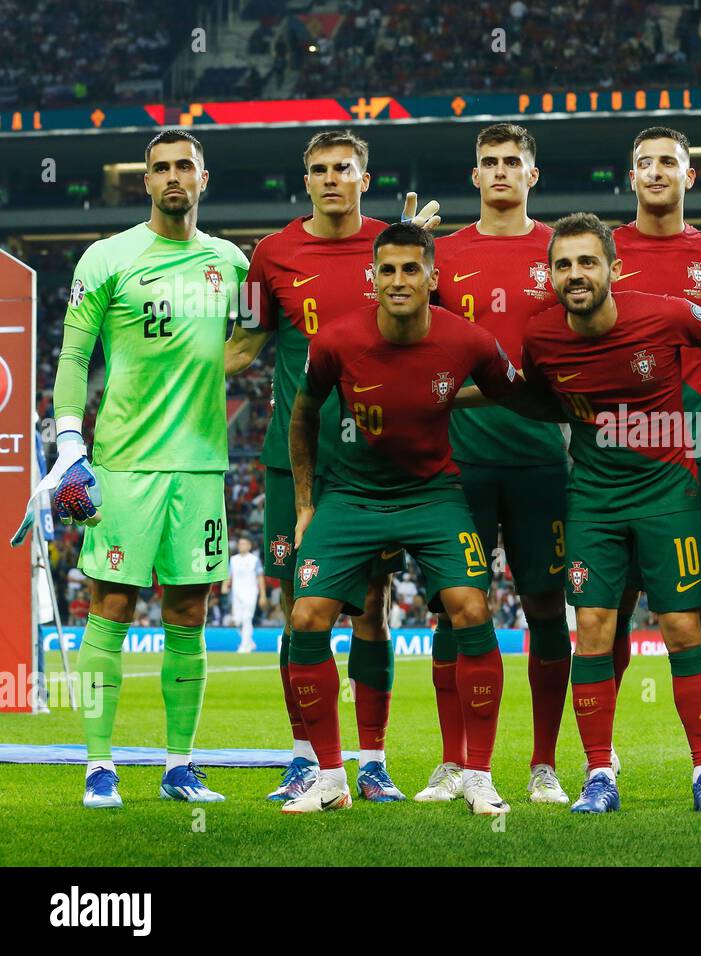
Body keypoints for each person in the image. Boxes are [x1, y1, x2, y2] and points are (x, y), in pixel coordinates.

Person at [16, 129, 247, 808]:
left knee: (187, 613)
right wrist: (66, 443)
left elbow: (269, 329)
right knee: (108, 609)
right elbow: (72, 356)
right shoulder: (107, 257)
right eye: (160, 168)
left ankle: (180, 767)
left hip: (201, 466)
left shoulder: (233, 264)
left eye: (185, 166)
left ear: (204, 178)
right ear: (145, 181)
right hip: (122, 466)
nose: (173, 176)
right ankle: (98, 767)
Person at [518, 213, 701, 814]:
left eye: (587, 261)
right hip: (593, 504)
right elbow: (531, 392)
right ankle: (599, 774)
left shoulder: (667, 313)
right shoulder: (541, 337)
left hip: (668, 498)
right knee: (594, 634)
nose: (575, 274)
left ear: (613, 267)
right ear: (549, 275)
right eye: (563, 264)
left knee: (685, 628)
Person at [281, 222, 524, 816]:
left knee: (471, 609)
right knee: (307, 617)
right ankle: (332, 776)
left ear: (433, 277)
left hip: (433, 495)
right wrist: (306, 503)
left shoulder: (467, 341)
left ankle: (478, 774)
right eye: (386, 270)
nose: (398, 280)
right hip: (352, 497)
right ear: (372, 278)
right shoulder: (335, 341)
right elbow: (303, 414)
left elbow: (509, 390)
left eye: (411, 269)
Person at [225, 130, 432, 803]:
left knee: (371, 606)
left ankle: (371, 760)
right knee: (298, 607)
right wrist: (162, 369)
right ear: (305, 179)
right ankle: (304, 755)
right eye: (319, 169)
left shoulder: (395, 249)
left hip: (378, 460)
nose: (331, 178)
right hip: (298, 463)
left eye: (344, 167)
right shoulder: (273, 256)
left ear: (363, 177)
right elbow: (247, 343)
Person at [414, 124, 571, 807]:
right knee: (456, 611)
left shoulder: (562, 251)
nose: (501, 171)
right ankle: (453, 764)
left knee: (545, 606)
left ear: (532, 175)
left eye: (514, 161)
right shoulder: (441, 255)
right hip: (460, 460)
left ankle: (543, 764)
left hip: (542, 458)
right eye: (489, 163)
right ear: (474, 177)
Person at [609, 125, 701, 797]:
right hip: (621, 449)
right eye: (645, 163)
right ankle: (599, 760)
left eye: (669, 162)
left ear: (691, 176)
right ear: (631, 177)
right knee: (612, 604)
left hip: (700, 446)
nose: (656, 172)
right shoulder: (602, 251)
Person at [224, 535, 266, 653]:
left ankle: (244, 646)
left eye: (243, 544)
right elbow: (229, 575)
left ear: (249, 546)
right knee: (237, 621)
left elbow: (260, 577)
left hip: (251, 592)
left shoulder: (254, 559)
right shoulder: (233, 559)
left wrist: (262, 595)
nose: (241, 546)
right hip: (236, 593)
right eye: (240, 544)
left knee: (247, 618)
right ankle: (249, 642)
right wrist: (224, 586)